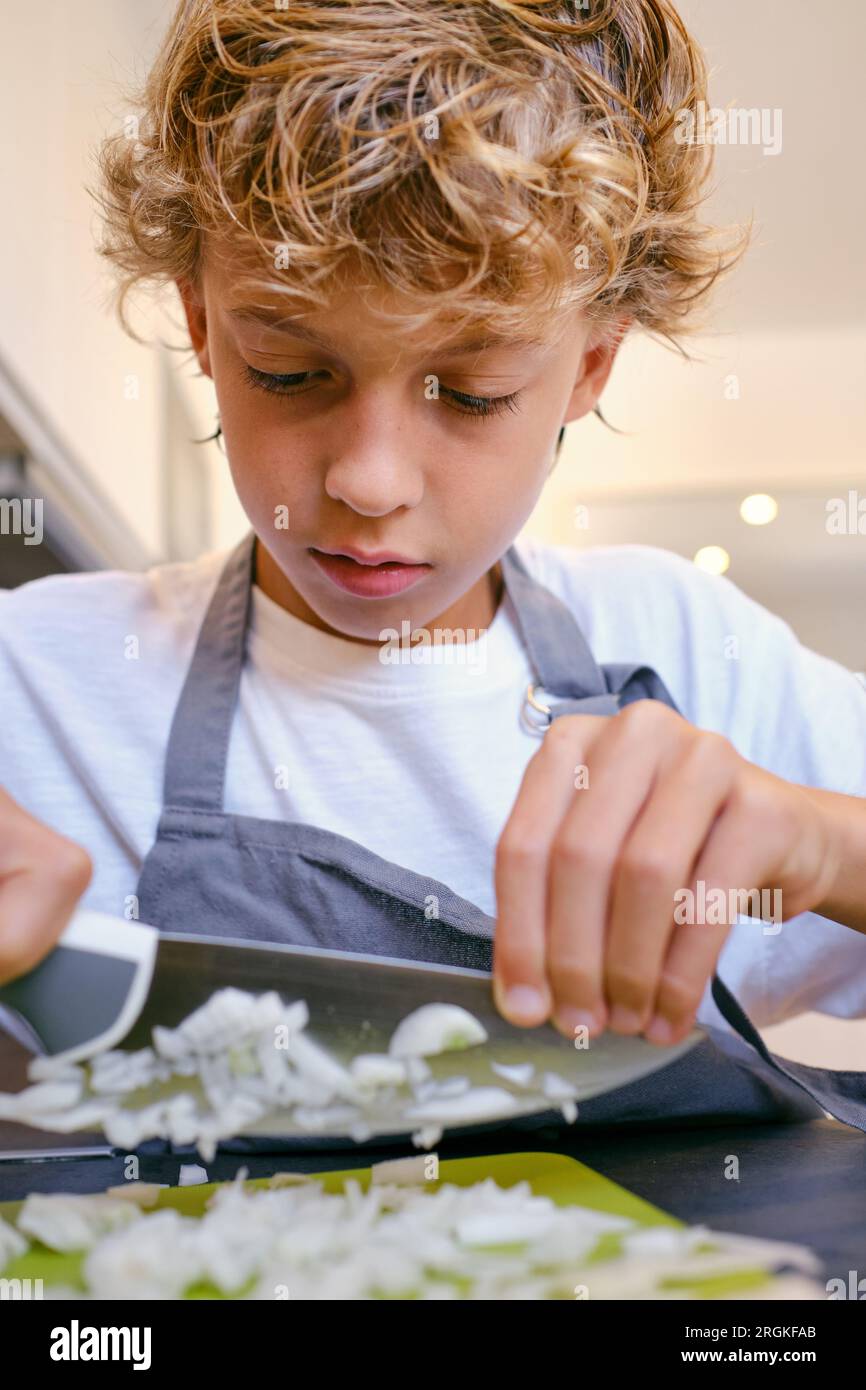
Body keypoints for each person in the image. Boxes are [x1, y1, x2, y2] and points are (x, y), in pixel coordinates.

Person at [1, 0, 864, 1130]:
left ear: (590, 366)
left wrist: (820, 843)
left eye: (471, 393)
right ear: (202, 327)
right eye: (286, 369)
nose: (369, 480)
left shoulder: (694, 647)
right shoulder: (39, 681)